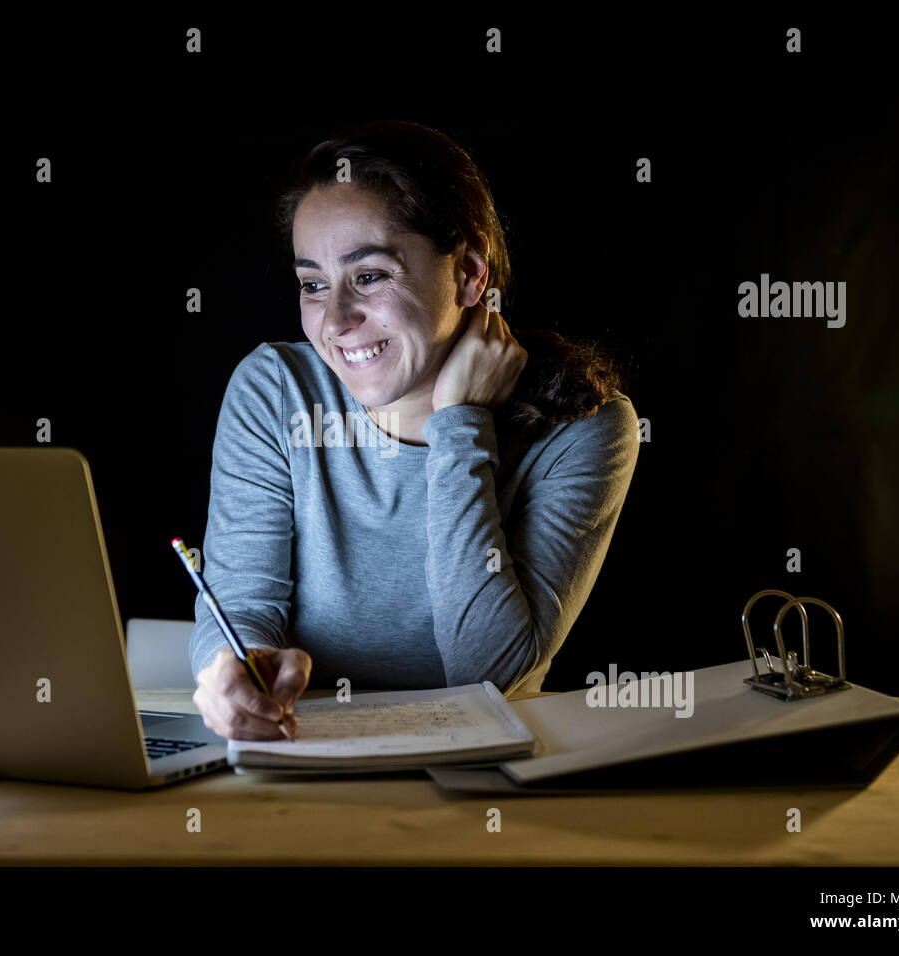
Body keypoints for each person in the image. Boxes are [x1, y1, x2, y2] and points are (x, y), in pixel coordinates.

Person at [189, 120, 640, 740]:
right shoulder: (275, 391)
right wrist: (236, 671)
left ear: (471, 271)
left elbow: (488, 677)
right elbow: (240, 607)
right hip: (301, 755)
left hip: (485, 773)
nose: (336, 321)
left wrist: (460, 426)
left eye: (370, 275)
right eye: (313, 285)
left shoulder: (585, 430)